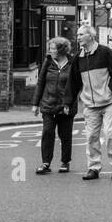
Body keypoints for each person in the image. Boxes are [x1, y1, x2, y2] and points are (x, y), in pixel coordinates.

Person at [76, 23, 112, 181]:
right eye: (77, 35)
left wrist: (111, 90)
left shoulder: (105, 52)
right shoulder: (79, 57)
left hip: (109, 101)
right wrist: (68, 102)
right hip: (90, 105)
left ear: (90, 36)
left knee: (110, 133)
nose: (78, 38)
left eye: (81, 35)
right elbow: (74, 81)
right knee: (91, 136)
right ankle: (93, 168)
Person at [32, 37, 79, 175]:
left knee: (65, 135)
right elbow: (40, 83)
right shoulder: (48, 62)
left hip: (66, 106)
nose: (50, 51)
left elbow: (76, 86)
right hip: (48, 104)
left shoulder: (72, 63)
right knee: (47, 133)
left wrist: (69, 103)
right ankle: (46, 163)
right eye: (50, 48)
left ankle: (65, 162)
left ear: (61, 50)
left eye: (53, 48)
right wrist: (35, 104)